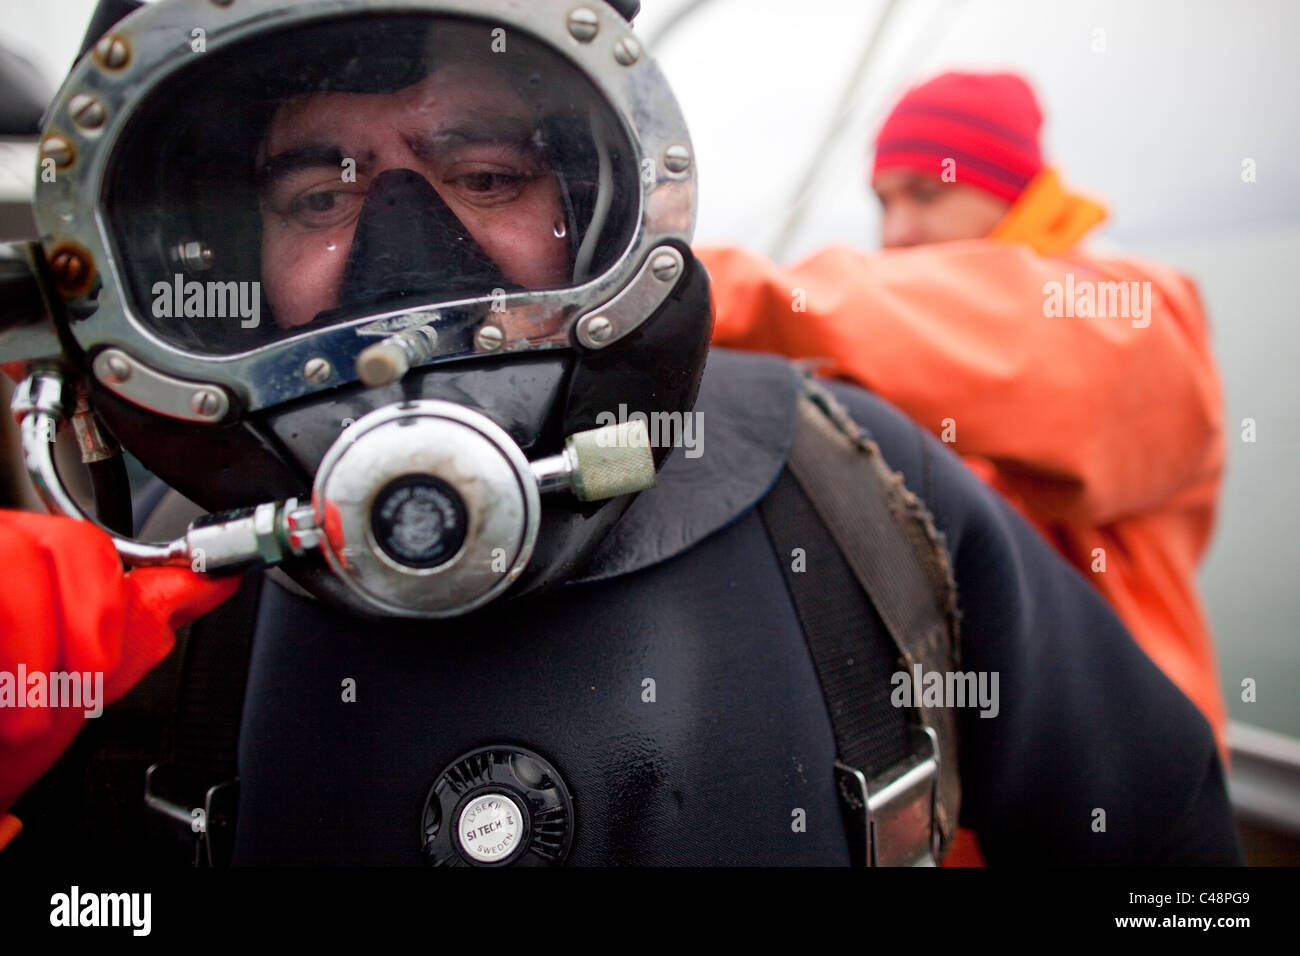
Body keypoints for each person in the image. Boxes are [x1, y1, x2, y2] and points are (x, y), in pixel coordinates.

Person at [0, 0, 1236, 866]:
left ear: (594, 208)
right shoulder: (151, 577)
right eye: (318, 198)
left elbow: (1156, 829)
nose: (399, 251)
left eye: (487, 178)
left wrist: (671, 290)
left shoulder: (864, 456)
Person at [697, 71, 1229, 753]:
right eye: (883, 201)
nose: (898, 231)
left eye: (928, 193)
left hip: (1135, 790)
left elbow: (997, 320)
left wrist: (683, 295)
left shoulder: (1134, 319)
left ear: (1015, 191)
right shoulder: (919, 361)